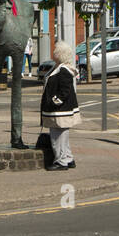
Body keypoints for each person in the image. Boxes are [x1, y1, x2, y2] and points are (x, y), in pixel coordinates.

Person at [41, 41, 81, 170]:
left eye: (56, 51)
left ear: (60, 54)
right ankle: (68, 158)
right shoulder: (59, 67)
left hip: (60, 111)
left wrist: (54, 102)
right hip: (59, 110)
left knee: (57, 137)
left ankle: (61, 162)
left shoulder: (63, 70)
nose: (53, 53)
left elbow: (64, 91)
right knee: (62, 136)